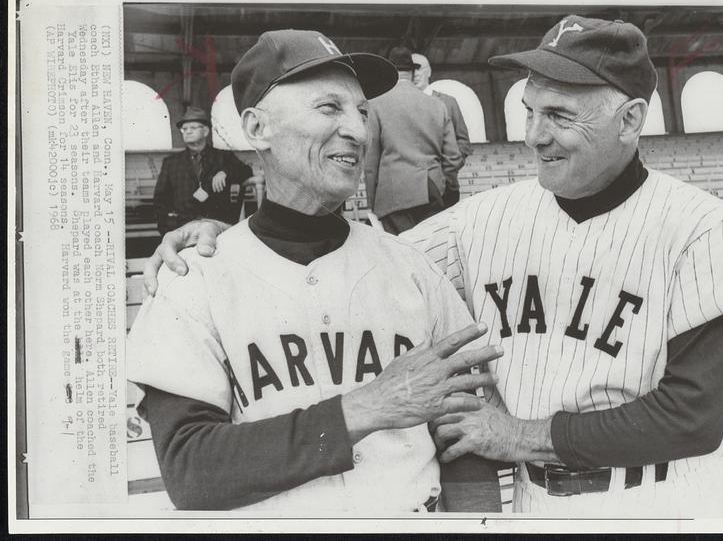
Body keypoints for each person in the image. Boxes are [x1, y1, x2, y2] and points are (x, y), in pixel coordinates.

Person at [144, 16, 723, 518]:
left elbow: (694, 415)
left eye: (560, 116)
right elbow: (326, 251)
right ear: (255, 129)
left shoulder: (702, 226)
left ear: (632, 121)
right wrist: (220, 237)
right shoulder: (474, 226)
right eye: (528, 110)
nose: (534, 135)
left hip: (668, 502)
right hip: (538, 507)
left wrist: (519, 436)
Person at [127, 29, 503, 513]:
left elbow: (466, 443)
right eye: (330, 108)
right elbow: (190, 470)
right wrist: (363, 409)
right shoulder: (194, 278)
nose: (359, 130)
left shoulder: (412, 269)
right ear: (257, 128)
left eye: (362, 112)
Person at [364, 45, 463, 235]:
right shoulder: (438, 105)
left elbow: (371, 164)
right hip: (431, 189)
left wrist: (372, 204)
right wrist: (443, 186)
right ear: (412, 71)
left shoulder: (375, 105)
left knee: (402, 255)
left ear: (390, 71)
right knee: (431, 253)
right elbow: (453, 157)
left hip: (393, 194)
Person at [152, 106, 253, 235]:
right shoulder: (171, 163)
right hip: (182, 229)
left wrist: (225, 173)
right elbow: (160, 199)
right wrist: (166, 230)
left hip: (218, 228)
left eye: (193, 128)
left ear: (205, 131)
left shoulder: (223, 157)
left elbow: (246, 171)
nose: (187, 132)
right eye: (184, 129)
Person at [412, 52, 472, 207]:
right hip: (412, 187)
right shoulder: (399, 105)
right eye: (411, 69)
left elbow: (463, 141)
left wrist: (448, 172)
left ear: (429, 71)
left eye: (419, 68)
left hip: (446, 186)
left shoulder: (449, 102)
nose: (415, 74)